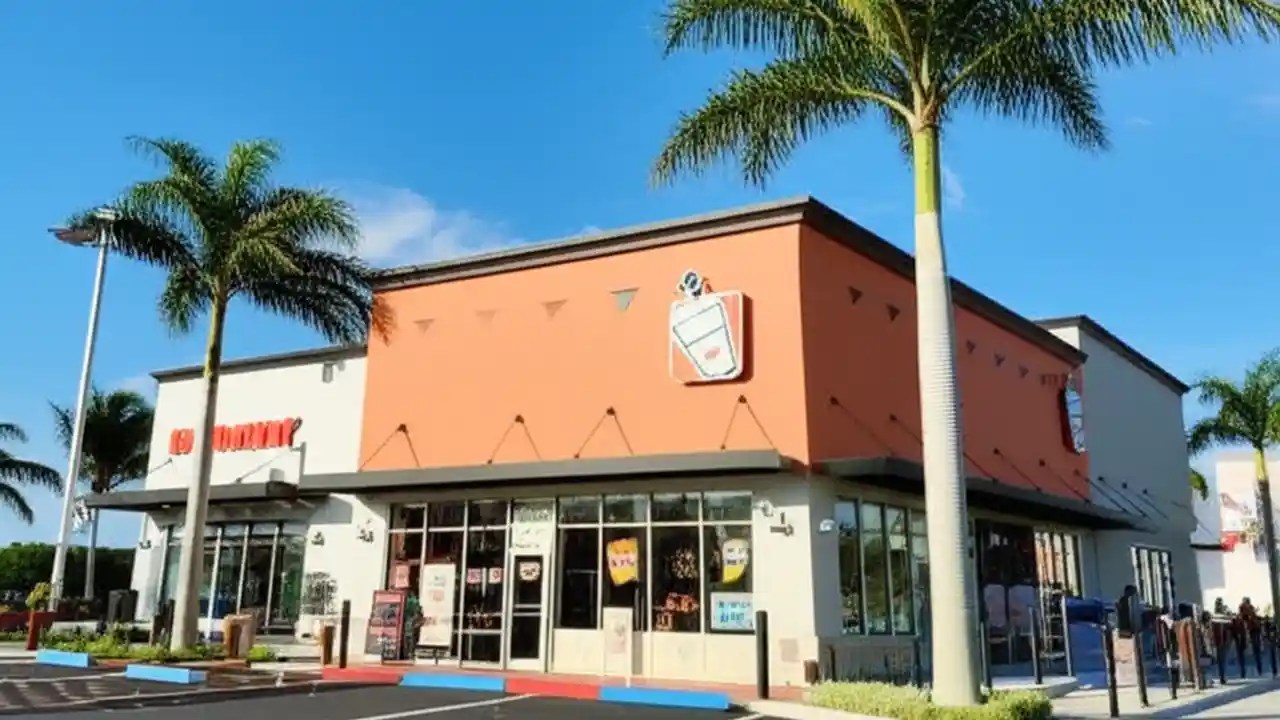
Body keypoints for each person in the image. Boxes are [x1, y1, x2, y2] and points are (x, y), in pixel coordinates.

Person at [1239, 597, 1263, 674]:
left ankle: (1259, 669)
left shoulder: (1246, 608)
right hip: (1254, 629)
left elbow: (1245, 617)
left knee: (1256, 649)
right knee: (1256, 650)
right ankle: (1259, 669)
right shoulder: (1249, 608)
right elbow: (1247, 617)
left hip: (1253, 629)